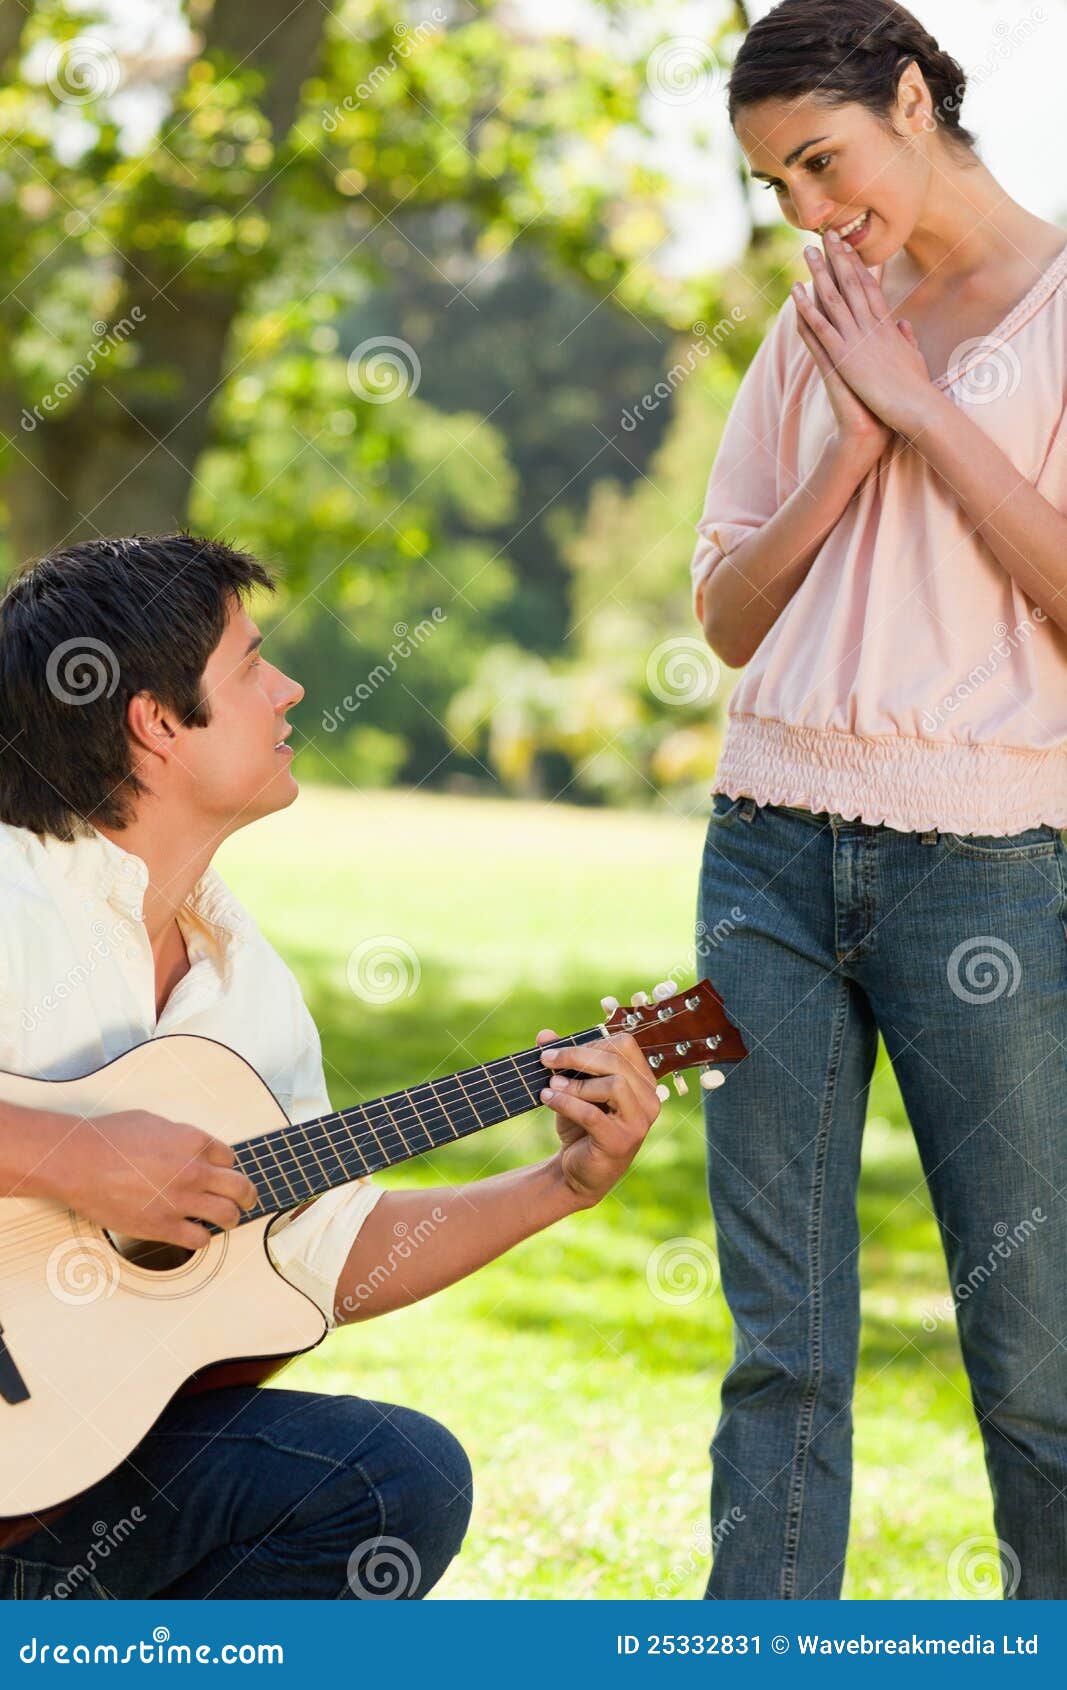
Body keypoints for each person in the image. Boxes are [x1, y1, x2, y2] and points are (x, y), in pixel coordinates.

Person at [0, 532, 660, 1600]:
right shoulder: (11, 892)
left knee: (394, 1478)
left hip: (54, 1485)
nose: (289, 687)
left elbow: (318, 1252)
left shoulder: (246, 987)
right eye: (253, 663)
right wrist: (70, 1154)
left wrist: (559, 1187)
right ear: (158, 723)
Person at [691, 0, 1067, 1600]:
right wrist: (847, 446)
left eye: (820, 161)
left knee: (1037, 1330)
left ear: (911, 99)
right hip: (761, 849)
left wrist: (921, 413)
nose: (806, 211)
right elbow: (720, 616)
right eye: (775, 182)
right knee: (780, 1347)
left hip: (984, 868)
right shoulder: (816, 324)